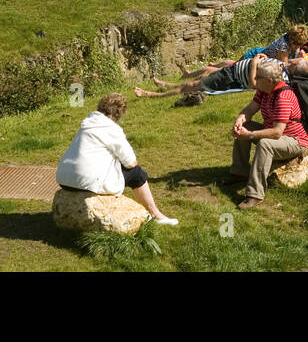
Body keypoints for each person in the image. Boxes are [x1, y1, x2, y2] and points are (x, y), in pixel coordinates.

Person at [56, 93, 178, 226]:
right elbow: (131, 163)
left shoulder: (87, 124)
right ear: (119, 113)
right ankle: (156, 215)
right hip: (87, 181)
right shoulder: (111, 129)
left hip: (64, 178)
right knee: (137, 174)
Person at [221, 58, 308, 209]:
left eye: (258, 77)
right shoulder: (264, 91)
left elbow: (276, 133)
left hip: (293, 140)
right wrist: (240, 120)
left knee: (265, 144)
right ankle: (240, 172)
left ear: (269, 80)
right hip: (277, 134)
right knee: (247, 125)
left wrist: (249, 135)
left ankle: (255, 194)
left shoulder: (283, 97)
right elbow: (250, 109)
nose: (254, 79)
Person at [133, 51, 282, 103]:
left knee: (191, 86)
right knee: (198, 79)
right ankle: (167, 85)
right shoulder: (280, 66)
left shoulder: (275, 78)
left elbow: (252, 84)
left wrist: (255, 63)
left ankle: (151, 95)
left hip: (231, 78)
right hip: (232, 70)